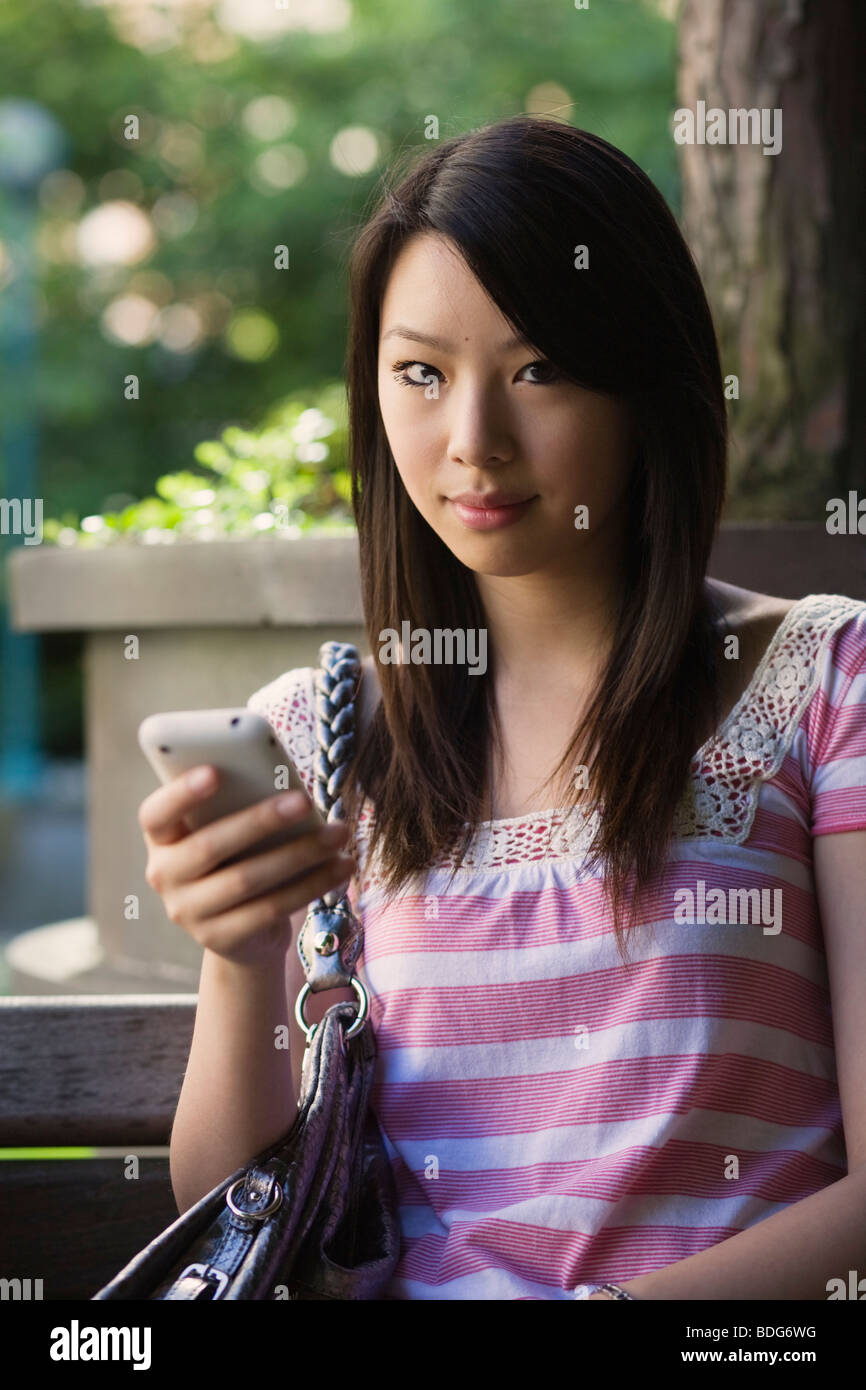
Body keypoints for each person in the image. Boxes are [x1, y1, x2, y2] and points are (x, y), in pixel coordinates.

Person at [138, 116, 866, 1301]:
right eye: (420, 373)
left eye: (537, 371)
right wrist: (238, 953)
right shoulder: (319, 738)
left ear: (647, 385)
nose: (471, 441)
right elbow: (234, 1208)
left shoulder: (825, 681)